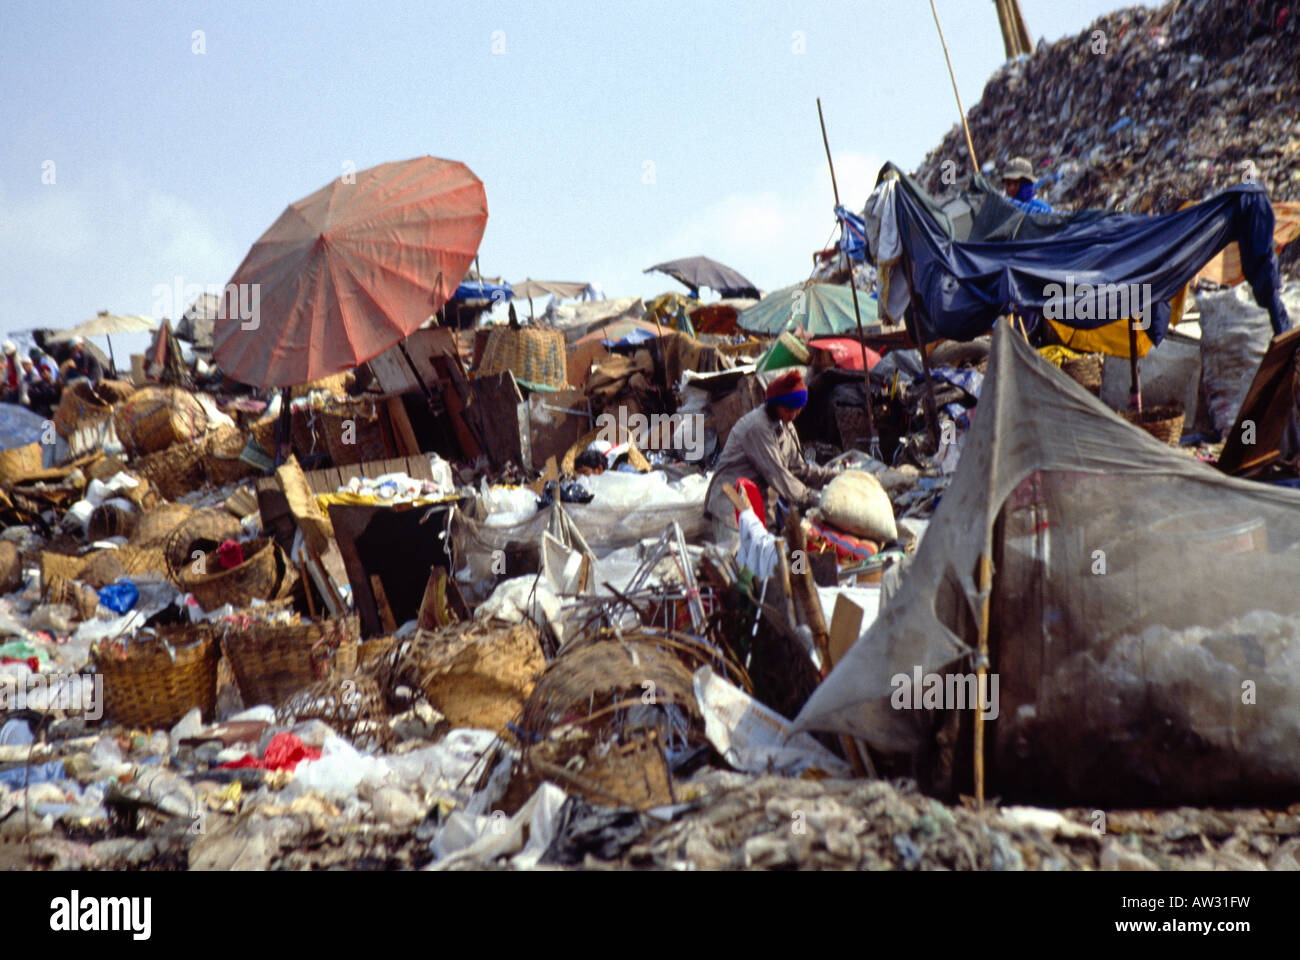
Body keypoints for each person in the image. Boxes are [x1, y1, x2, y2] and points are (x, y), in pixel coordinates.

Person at [704, 369, 837, 546]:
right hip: (732, 508)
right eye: (789, 409)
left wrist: (833, 476)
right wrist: (817, 499)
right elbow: (780, 476)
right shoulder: (757, 428)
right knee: (739, 566)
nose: (794, 415)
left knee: (772, 565)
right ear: (775, 405)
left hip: (761, 509)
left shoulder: (786, 425)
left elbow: (798, 469)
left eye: (798, 409)